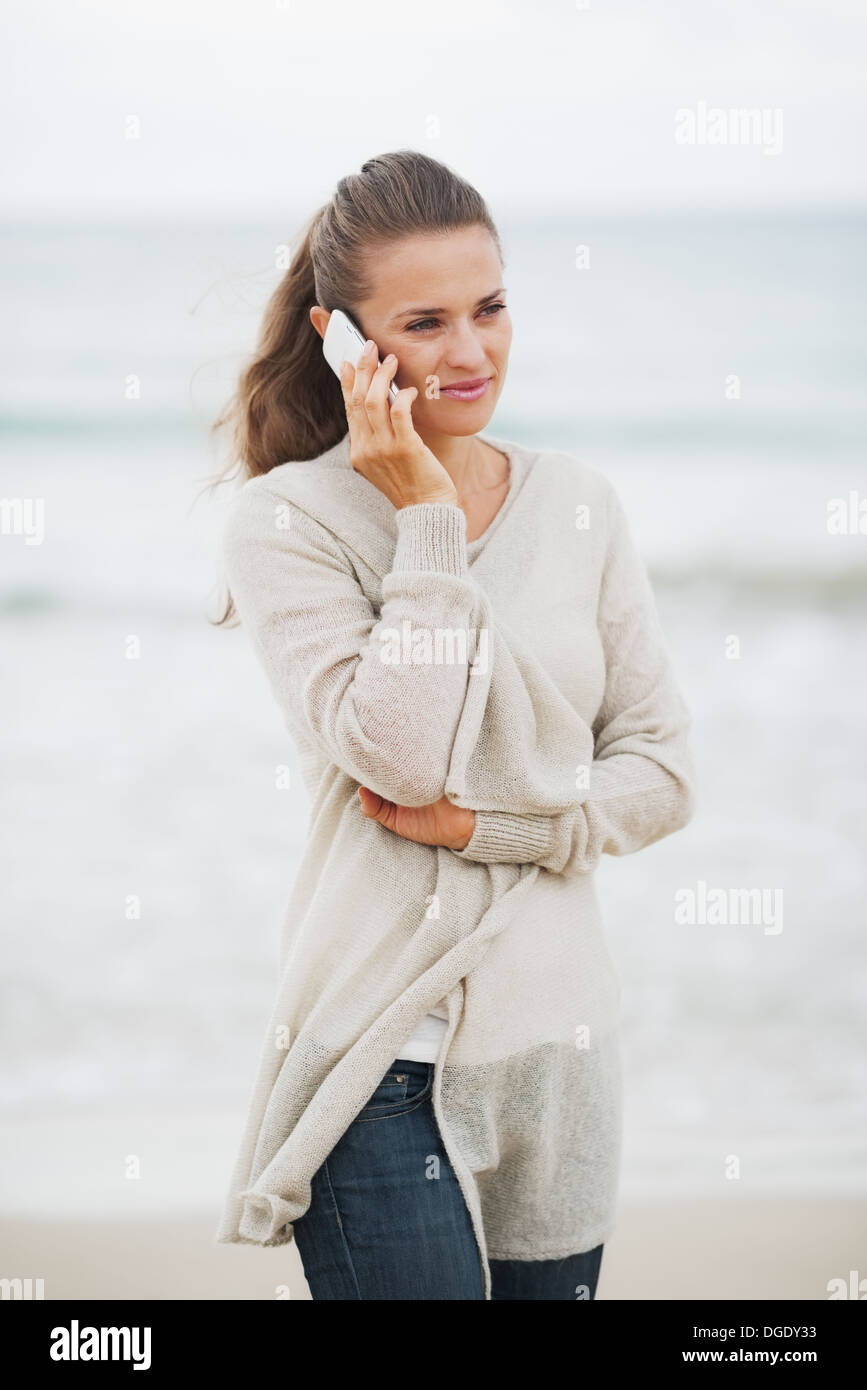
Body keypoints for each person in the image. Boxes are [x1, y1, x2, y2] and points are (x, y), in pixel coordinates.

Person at [211, 150, 695, 1300]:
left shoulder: (579, 503)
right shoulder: (289, 523)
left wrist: (491, 829)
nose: (471, 353)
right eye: (424, 323)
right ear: (343, 339)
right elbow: (398, 753)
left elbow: (664, 774)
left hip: (558, 1055)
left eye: (491, 307)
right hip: (373, 1062)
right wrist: (425, 515)